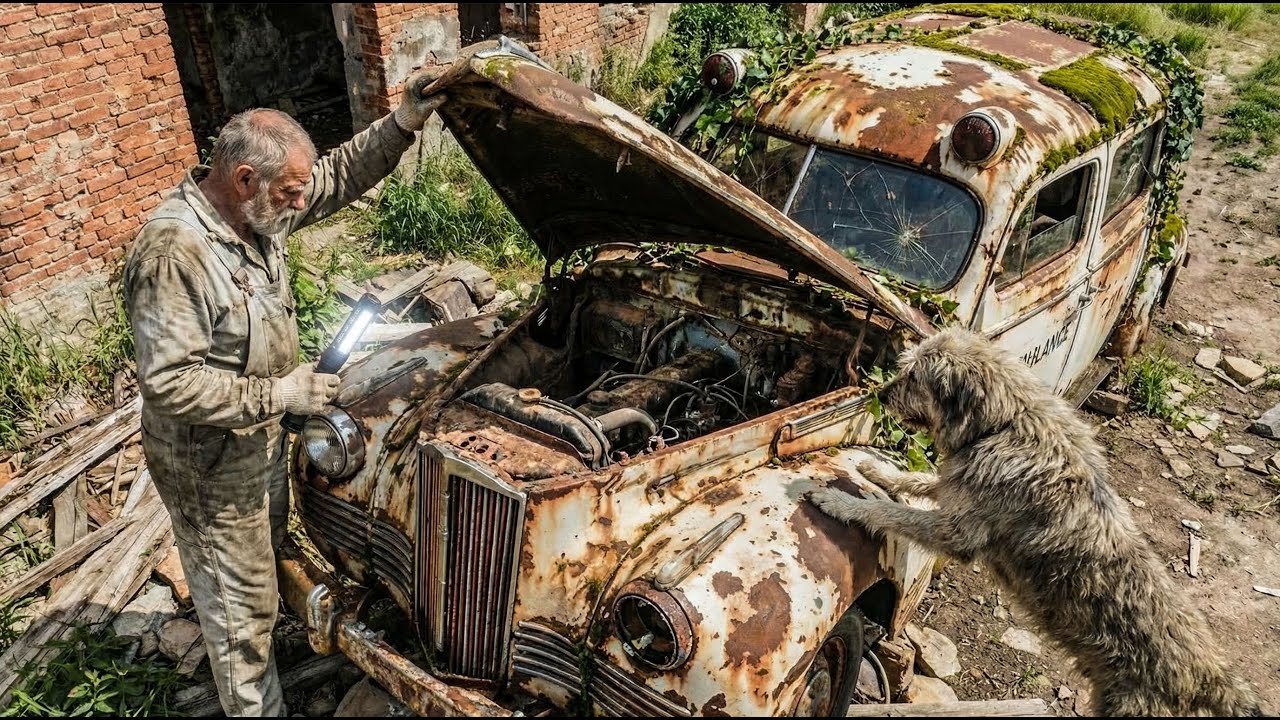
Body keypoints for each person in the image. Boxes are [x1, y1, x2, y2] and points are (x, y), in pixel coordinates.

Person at [121, 70, 446, 717]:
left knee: (259, 575)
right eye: (290, 193)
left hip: (258, 442)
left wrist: (402, 122)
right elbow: (168, 383)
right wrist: (280, 393)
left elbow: (335, 176)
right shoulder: (175, 253)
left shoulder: (256, 211)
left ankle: (266, 631)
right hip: (211, 469)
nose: (301, 204)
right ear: (245, 179)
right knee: (238, 618)